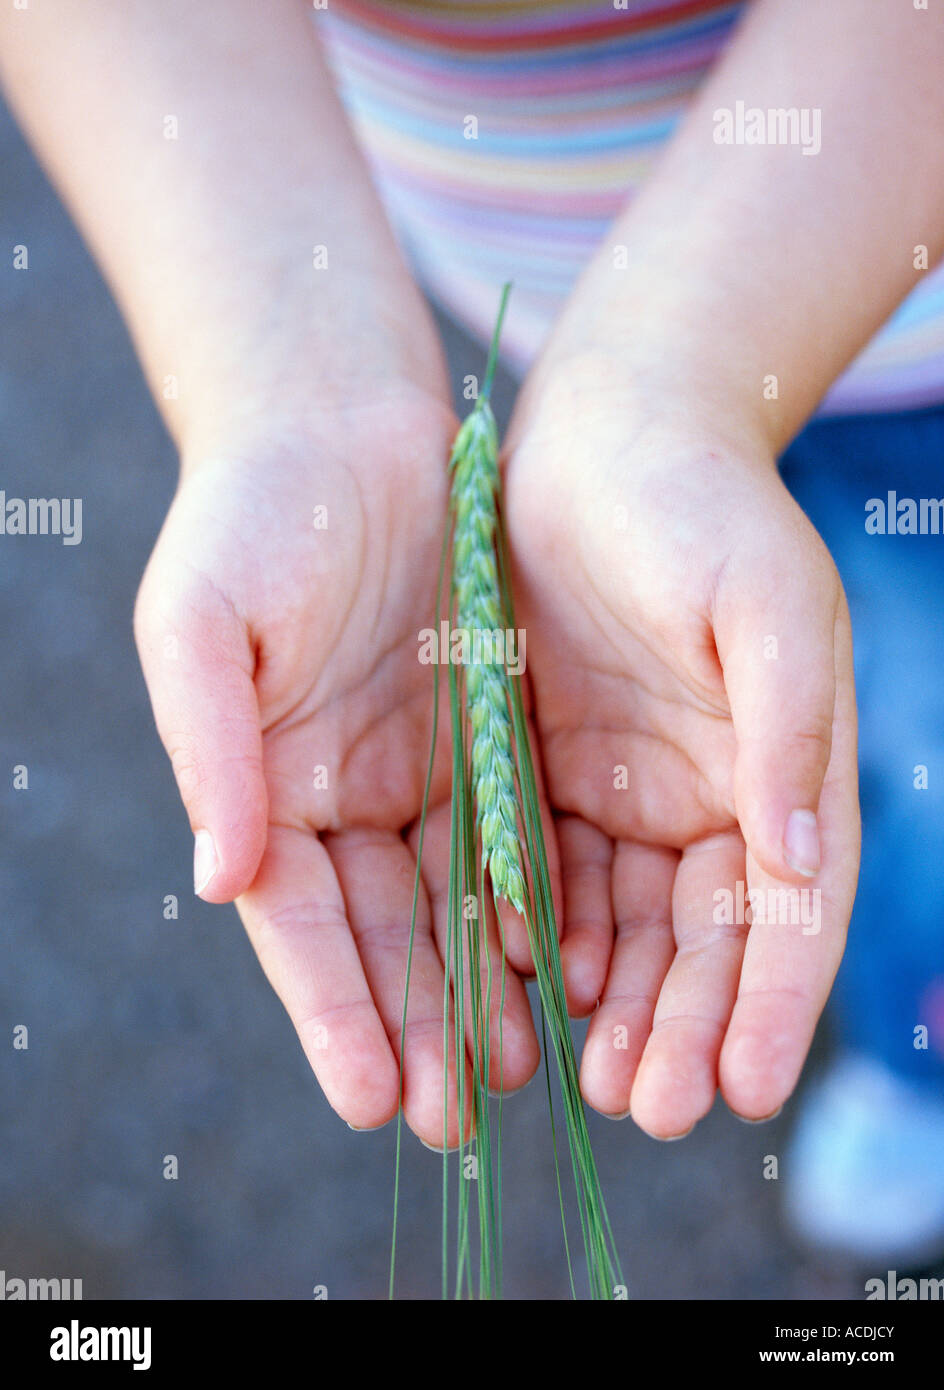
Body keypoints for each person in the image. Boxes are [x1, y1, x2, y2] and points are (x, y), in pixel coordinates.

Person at [1, 0, 941, 1259]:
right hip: (560, 289)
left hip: (905, 298)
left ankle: (912, 1042)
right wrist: (283, 378)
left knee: (905, 741)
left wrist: (684, 371)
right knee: (792, 740)